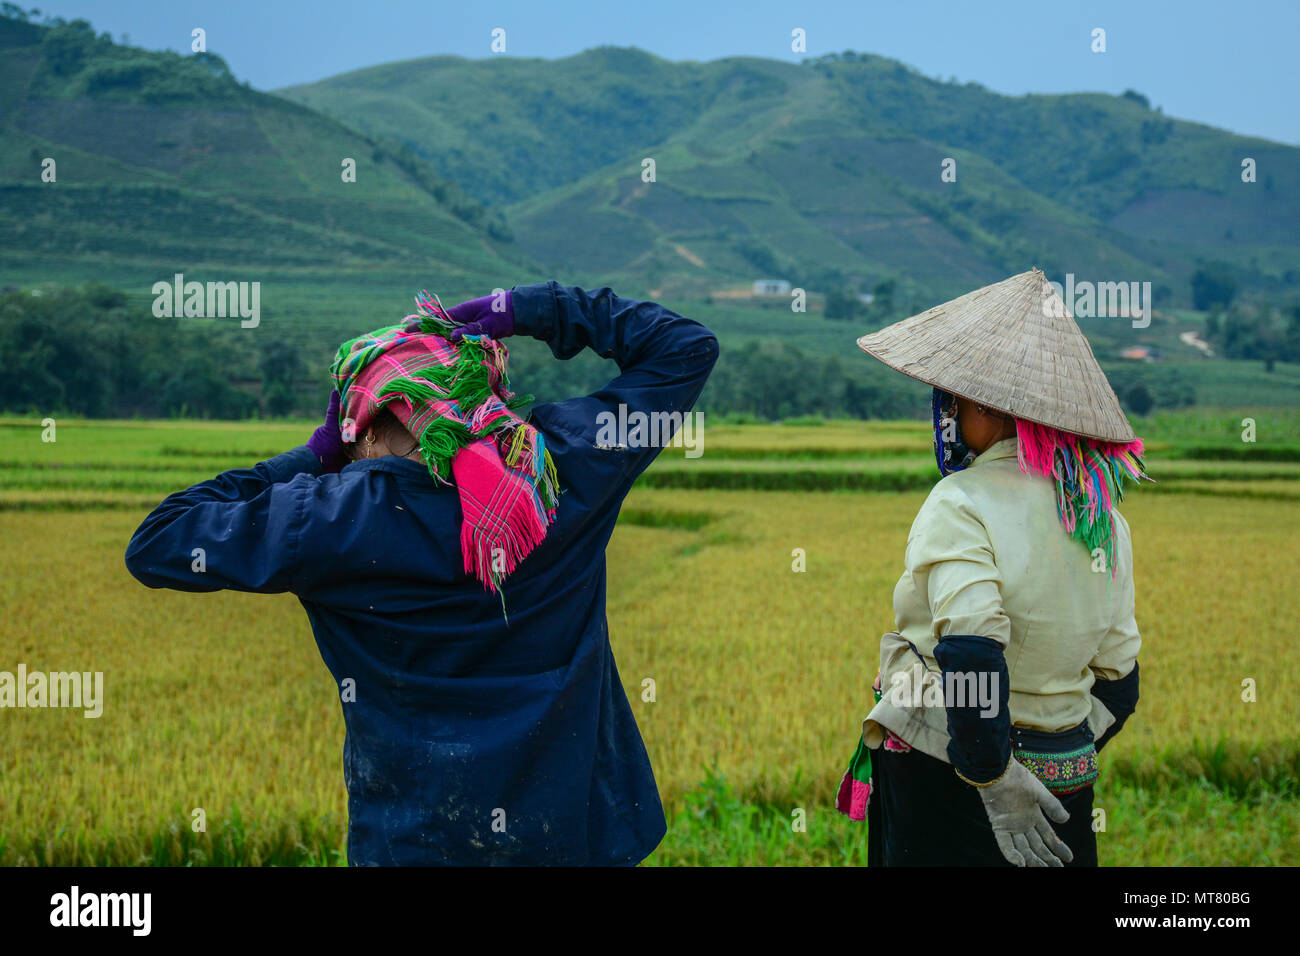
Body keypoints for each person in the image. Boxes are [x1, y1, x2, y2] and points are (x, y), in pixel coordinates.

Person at [125, 282, 719, 866]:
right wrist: (520, 309)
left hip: (416, 842)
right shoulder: (560, 468)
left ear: (364, 427)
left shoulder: (325, 519)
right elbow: (686, 347)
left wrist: (312, 454)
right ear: (481, 398)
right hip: (578, 838)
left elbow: (158, 540)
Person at [836, 268, 1146, 867]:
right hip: (1065, 786)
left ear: (984, 404)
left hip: (954, 783)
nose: (946, 411)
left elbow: (972, 652)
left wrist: (997, 775)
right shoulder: (1099, 514)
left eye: (952, 398)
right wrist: (1055, 750)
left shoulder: (961, 500)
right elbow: (1121, 680)